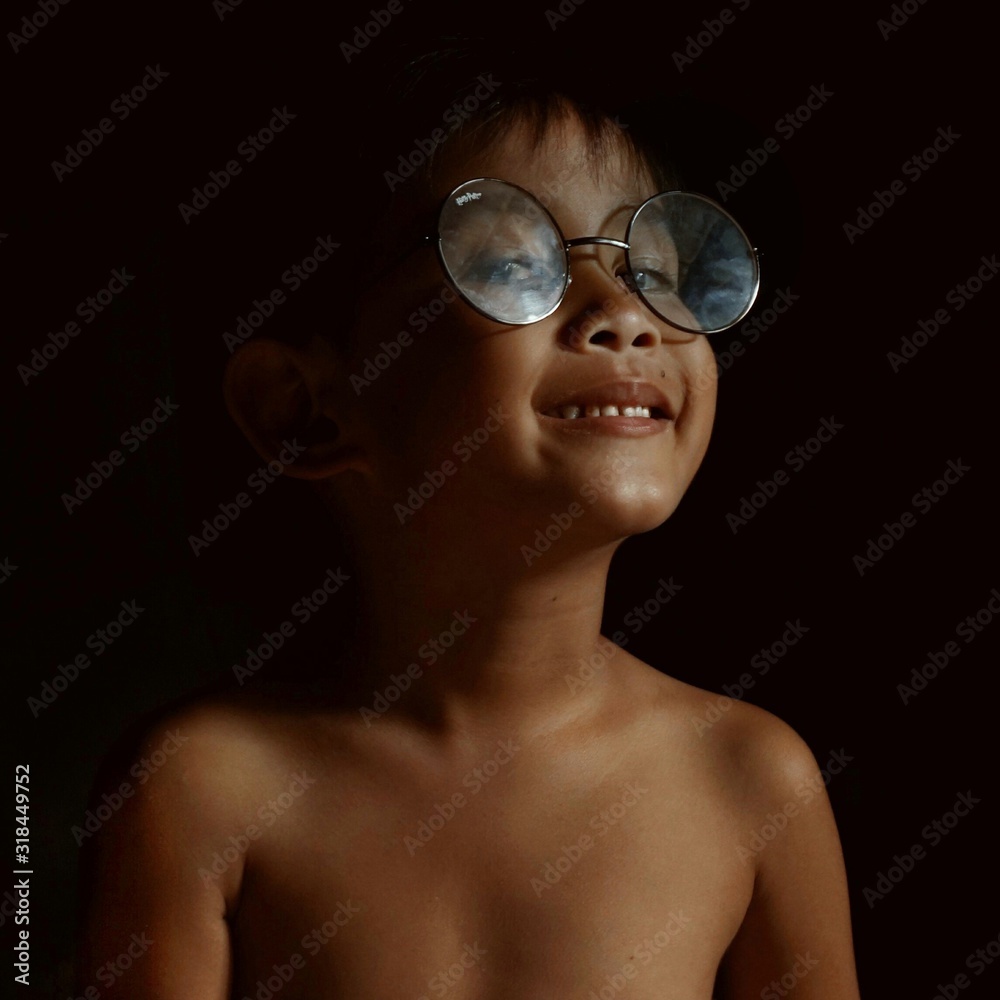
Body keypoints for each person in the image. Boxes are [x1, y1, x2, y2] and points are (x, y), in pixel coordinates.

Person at [77, 45, 861, 1000]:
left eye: (661, 266)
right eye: (511, 259)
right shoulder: (201, 791)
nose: (626, 313)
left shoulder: (749, 783)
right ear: (304, 407)